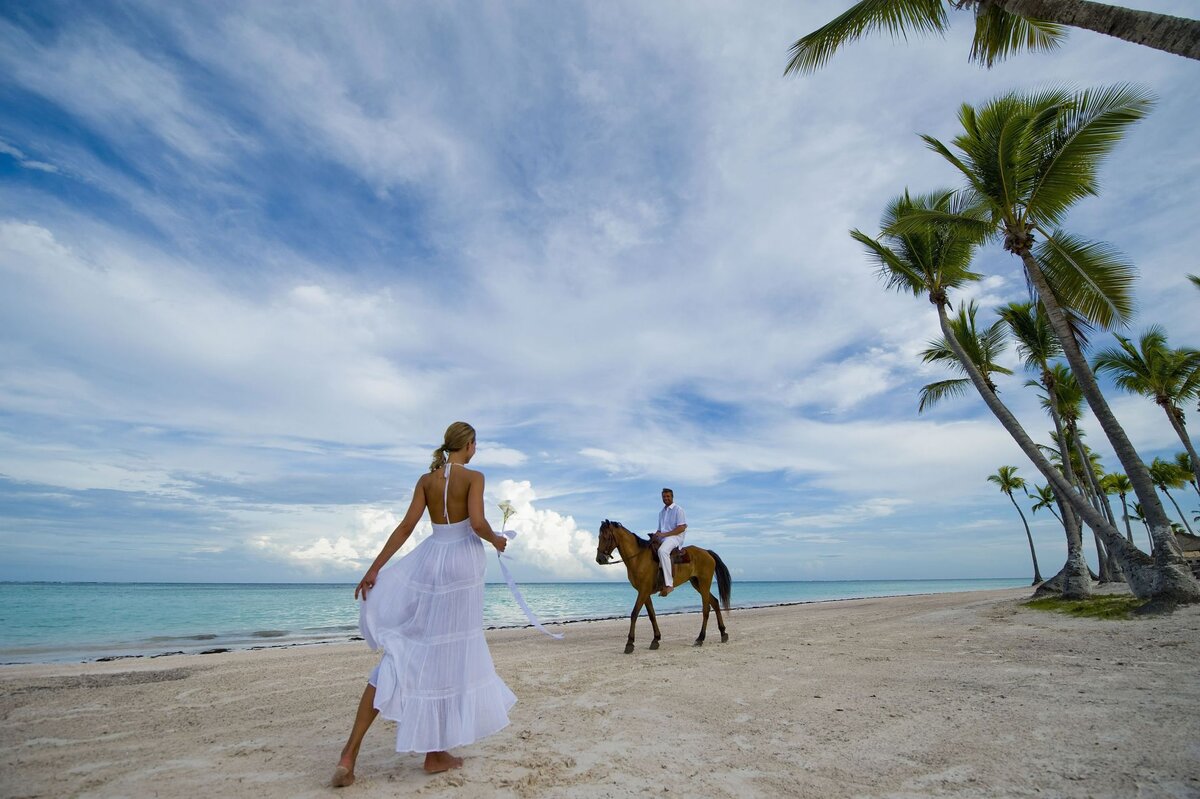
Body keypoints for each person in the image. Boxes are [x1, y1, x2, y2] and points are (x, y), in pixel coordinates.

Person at [332, 421, 515, 788]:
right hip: (462, 566)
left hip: (432, 561)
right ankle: (434, 753)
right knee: (451, 655)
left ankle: (353, 754)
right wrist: (497, 539)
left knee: (406, 649)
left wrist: (374, 569)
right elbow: (477, 523)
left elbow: (404, 528)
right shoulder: (474, 477)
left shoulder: (426, 480)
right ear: (470, 445)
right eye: (475, 443)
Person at [651, 487, 687, 597]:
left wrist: (664, 535)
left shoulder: (678, 510)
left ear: (672, 497)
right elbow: (660, 529)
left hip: (675, 537)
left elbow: (681, 528)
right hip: (663, 537)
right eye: (664, 497)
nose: (665, 498)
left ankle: (669, 584)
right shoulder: (661, 512)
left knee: (662, 551)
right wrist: (655, 535)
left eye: (668, 496)